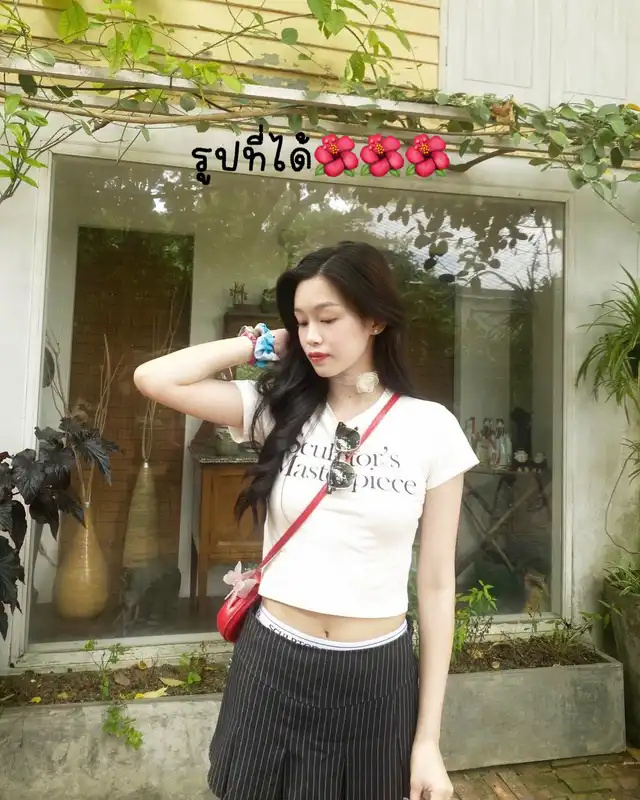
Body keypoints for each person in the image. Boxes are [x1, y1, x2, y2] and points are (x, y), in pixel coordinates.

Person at [134, 241, 479, 800]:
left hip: (376, 677)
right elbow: (154, 379)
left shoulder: (431, 428)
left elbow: (438, 585)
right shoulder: (278, 409)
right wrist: (259, 343)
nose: (312, 336)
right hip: (273, 666)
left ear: (375, 319)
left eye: (328, 318)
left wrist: (428, 741)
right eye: (301, 321)